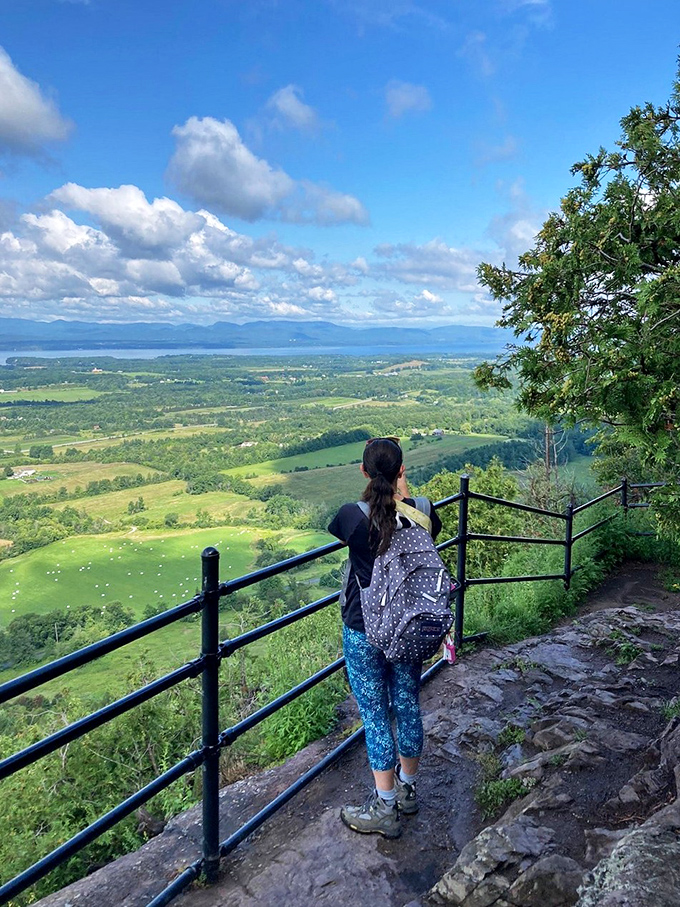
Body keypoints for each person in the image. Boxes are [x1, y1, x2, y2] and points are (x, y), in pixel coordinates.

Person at [328, 436, 442, 838]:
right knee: (408, 703)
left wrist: (385, 485)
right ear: (401, 471)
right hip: (408, 628)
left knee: (376, 716)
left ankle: (385, 808)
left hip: (364, 629)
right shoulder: (424, 510)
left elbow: (341, 529)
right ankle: (408, 792)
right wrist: (402, 487)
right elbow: (422, 527)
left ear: (362, 472)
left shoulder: (352, 517)